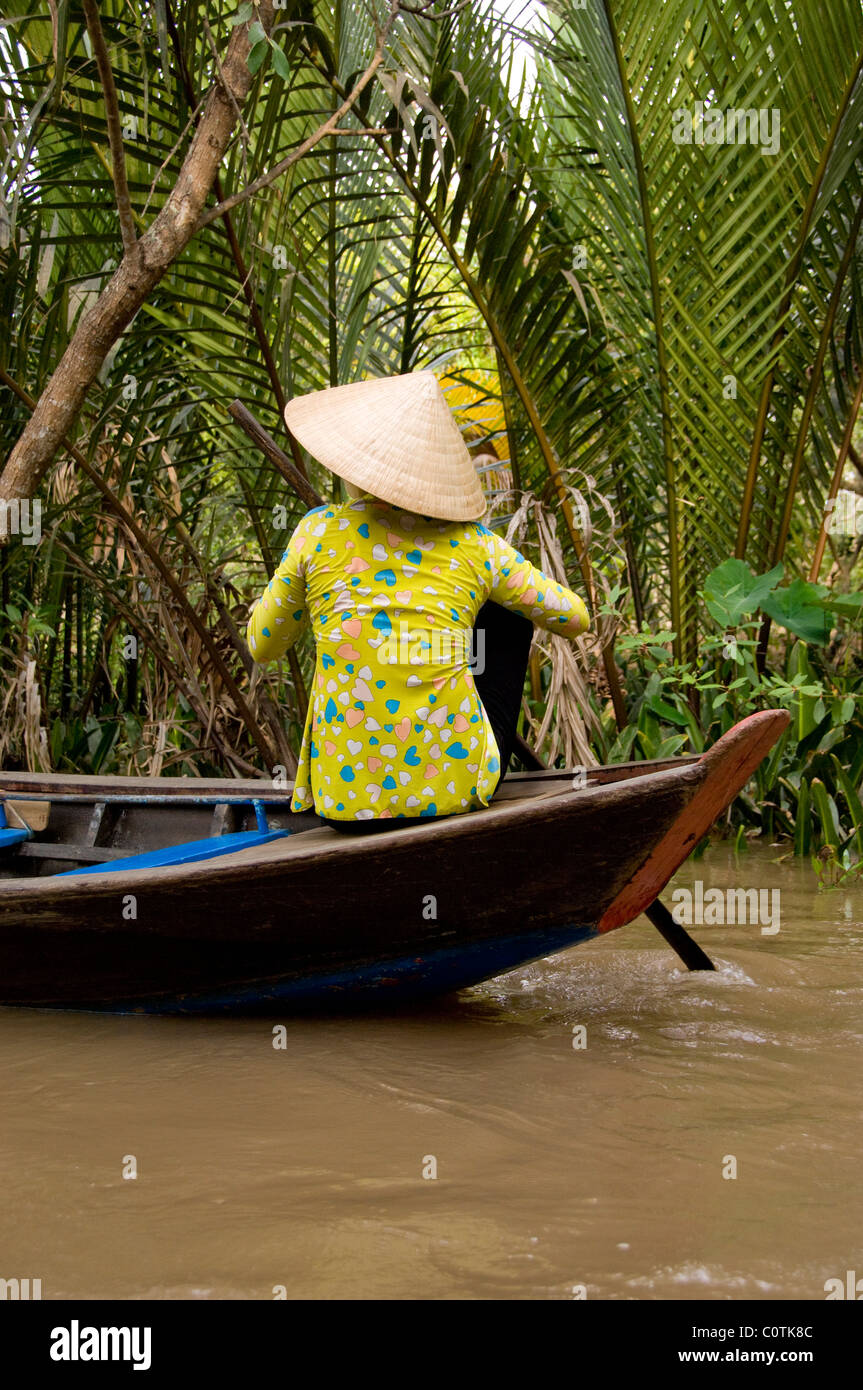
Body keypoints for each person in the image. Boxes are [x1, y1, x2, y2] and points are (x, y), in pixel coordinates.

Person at [247, 371, 589, 829]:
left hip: (345, 804)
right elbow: (574, 618)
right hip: (456, 789)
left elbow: (264, 646)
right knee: (506, 616)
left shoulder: (317, 532)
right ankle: (455, 749)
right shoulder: (475, 545)